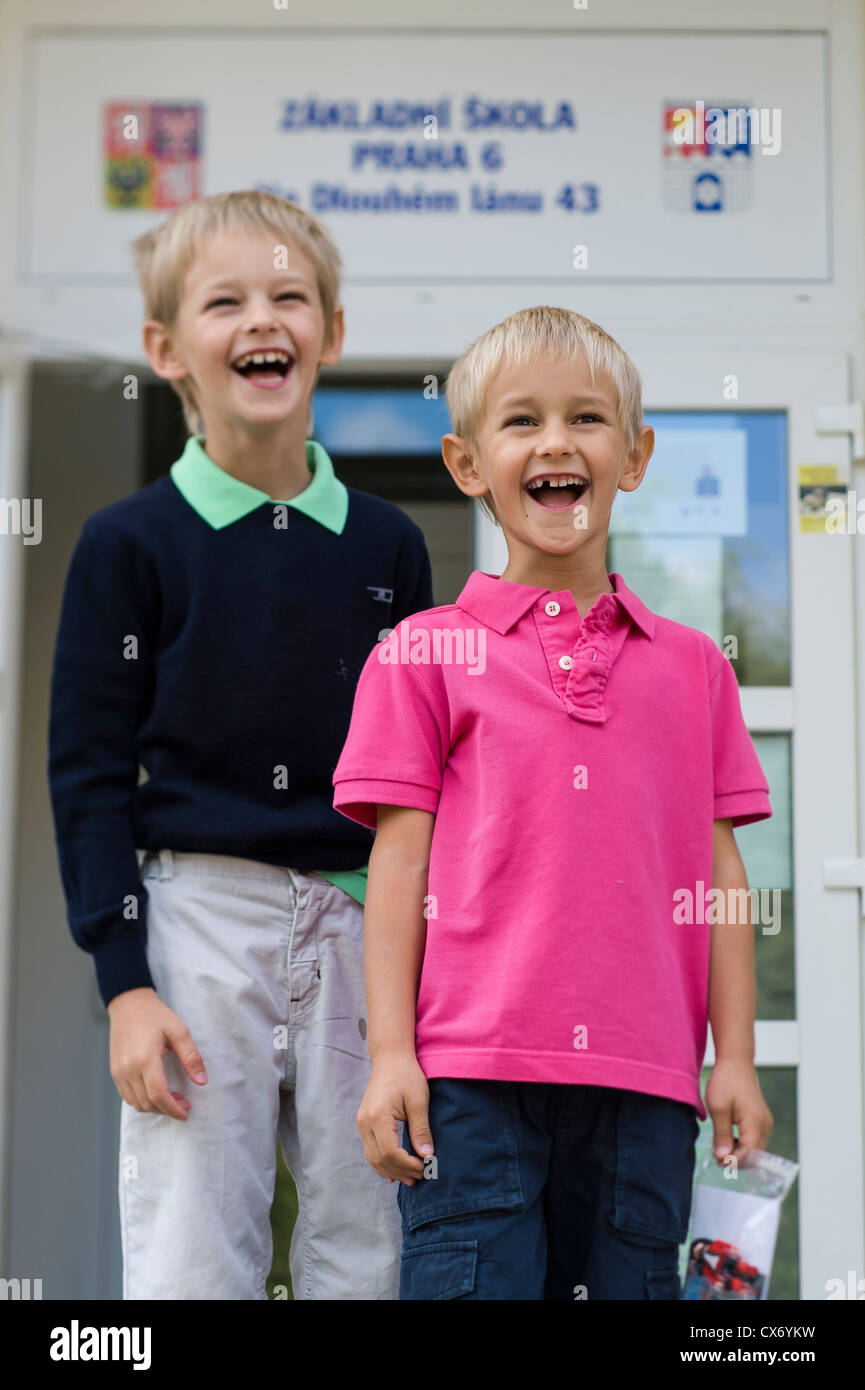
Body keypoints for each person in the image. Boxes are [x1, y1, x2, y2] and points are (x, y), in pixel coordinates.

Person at [333, 305, 774, 1300]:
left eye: (586, 418)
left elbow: (720, 875)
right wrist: (391, 1054)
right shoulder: (421, 653)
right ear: (465, 463)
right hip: (470, 1086)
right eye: (520, 420)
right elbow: (395, 867)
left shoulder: (696, 668)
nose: (554, 442)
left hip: (648, 1092)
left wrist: (734, 1057)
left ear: (634, 455)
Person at [48, 190, 433, 1300]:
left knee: (367, 1239)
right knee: (191, 1246)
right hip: (195, 921)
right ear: (167, 348)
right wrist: (125, 984)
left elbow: (417, 779)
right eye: (226, 301)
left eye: (289, 297)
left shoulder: (388, 545)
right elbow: (86, 774)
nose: (262, 319)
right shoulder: (126, 544)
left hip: (361, 919)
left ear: (334, 332)